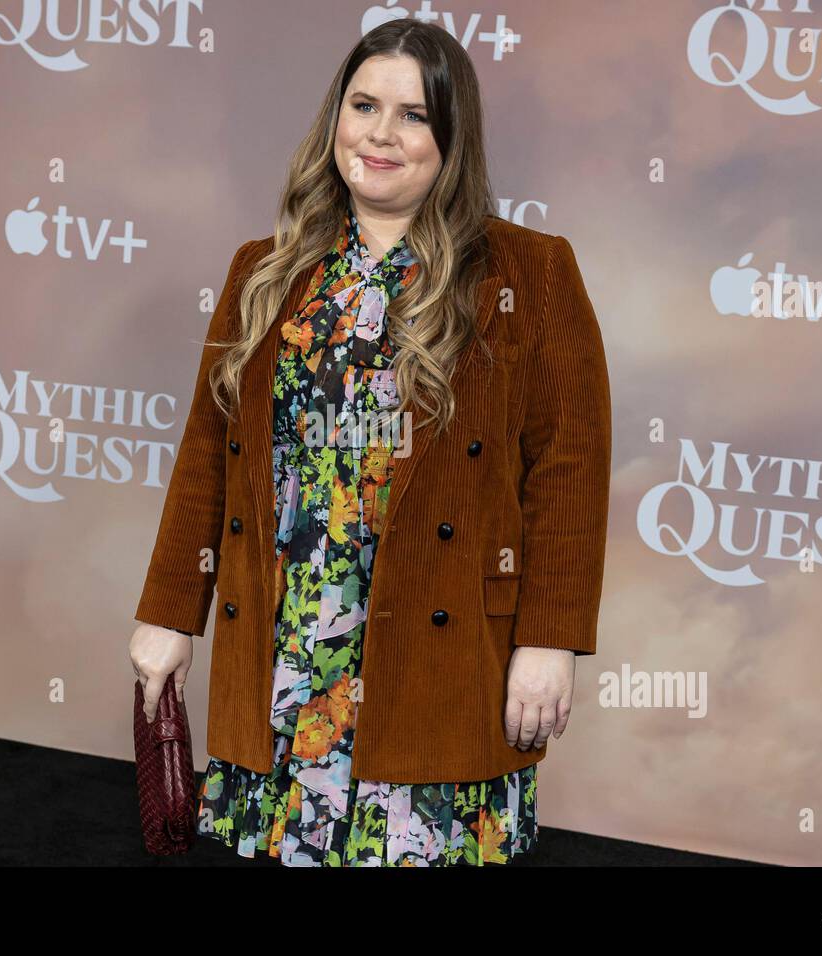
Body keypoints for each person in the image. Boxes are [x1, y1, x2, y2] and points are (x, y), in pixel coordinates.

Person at [129, 18, 611, 866]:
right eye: (364, 105)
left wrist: (549, 639)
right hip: (289, 637)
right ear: (335, 120)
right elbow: (209, 450)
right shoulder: (263, 271)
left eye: (415, 115)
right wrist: (171, 613)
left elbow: (569, 467)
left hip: (437, 640)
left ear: (451, 140)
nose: (382, 134)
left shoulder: (528, 272)